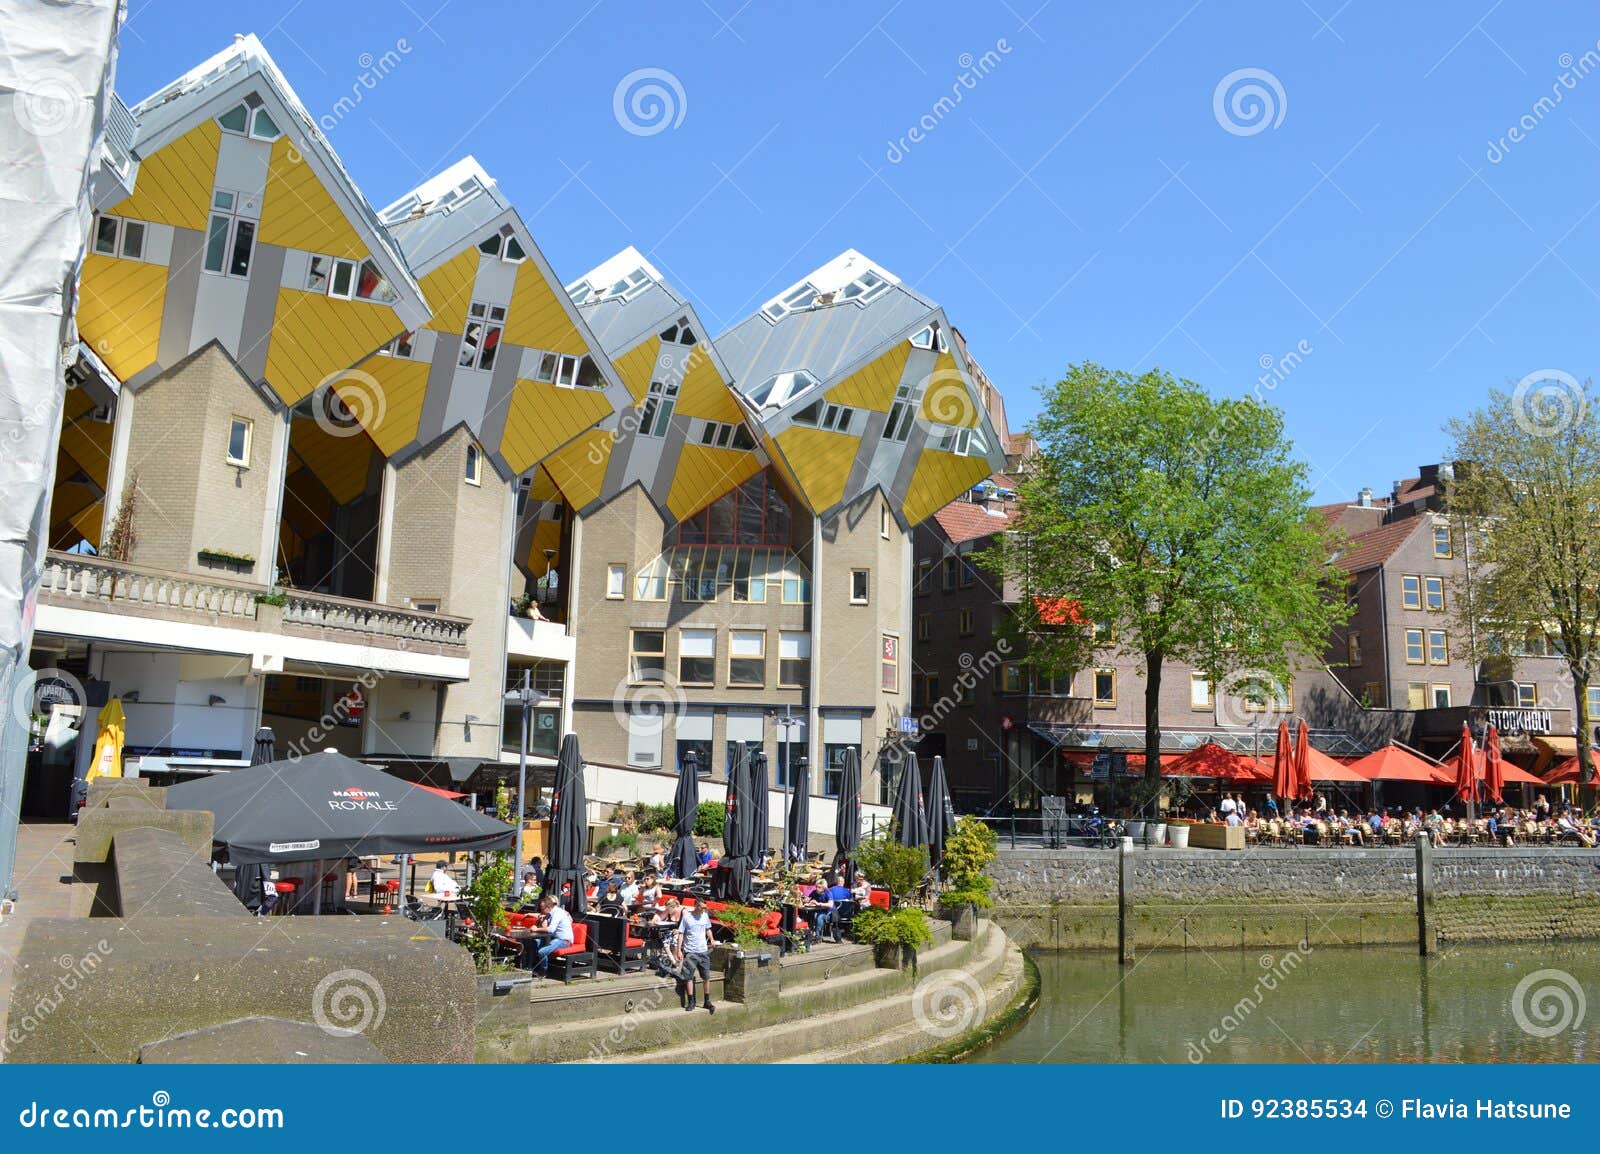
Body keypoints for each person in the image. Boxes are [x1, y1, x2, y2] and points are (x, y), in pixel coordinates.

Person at [677, 899, 715, 1014]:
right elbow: (681, 933)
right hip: (690, 951)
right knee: (688, 977)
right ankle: (691, 1001)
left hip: (703, 951)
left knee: (706, 977)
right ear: (696, 906)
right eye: (702, 907)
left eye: (705, 908)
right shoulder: (687, 917)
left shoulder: (705, 916)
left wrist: (712, 939)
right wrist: (679, 950)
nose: (704, 910)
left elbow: (708, 929)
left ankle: (707, 1001)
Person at [531, 894, 573, 976]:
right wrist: (542, 921)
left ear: (548, 907)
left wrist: (536, 929)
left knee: (542, 952)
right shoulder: (551, 913)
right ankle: (530, 967)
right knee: (534, 943)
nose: (541, 910)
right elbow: (545, 928)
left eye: (542, 908)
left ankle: (543, 972)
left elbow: (550, 930)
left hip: (563, 940)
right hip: (553, 938)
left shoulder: (557, 913)